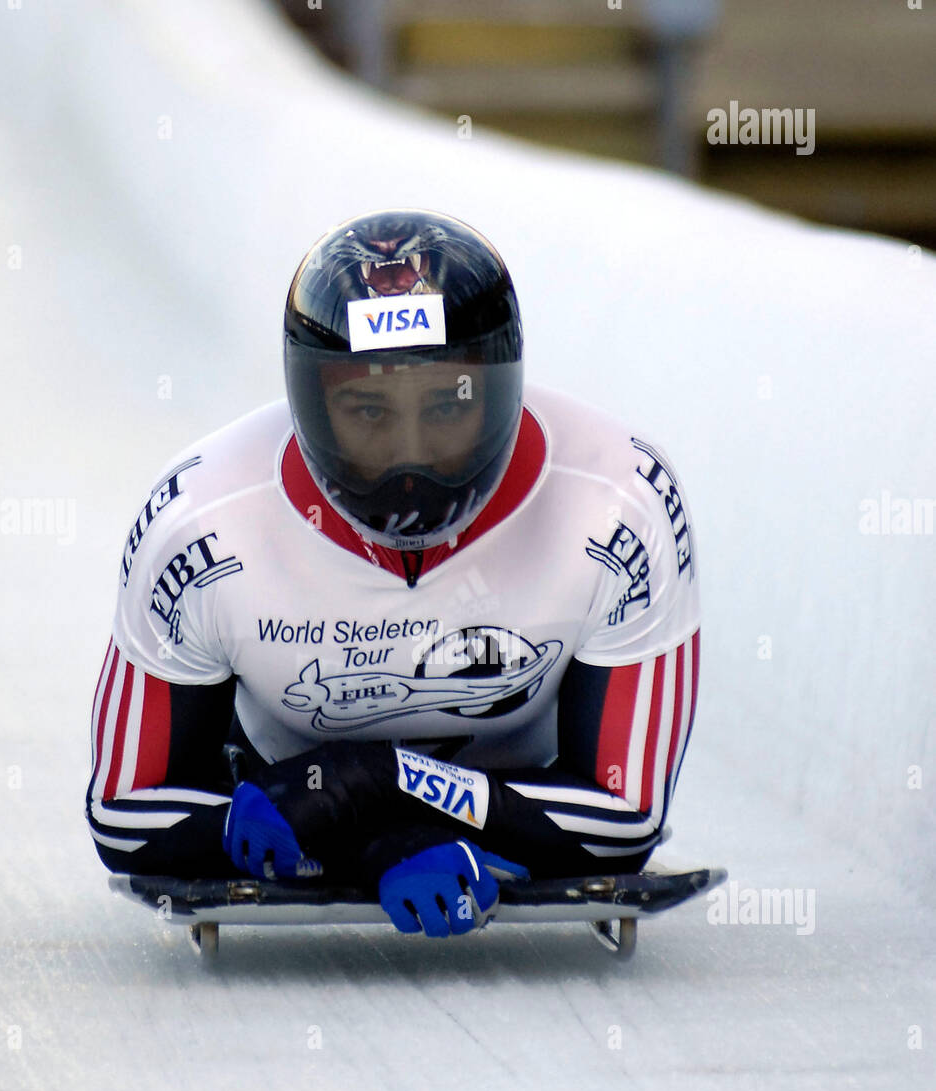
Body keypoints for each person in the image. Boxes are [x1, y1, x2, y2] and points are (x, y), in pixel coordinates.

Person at [86, 209, 700, 938]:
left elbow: (624, 818)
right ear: (310, 403)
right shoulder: (198, 523)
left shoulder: (620, 502)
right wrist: (383, 834)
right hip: (377, 795)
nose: (410, 459)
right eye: (367, 410)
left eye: (448, 405)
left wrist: (362, 785)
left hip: (299, 799)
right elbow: (124, 812)